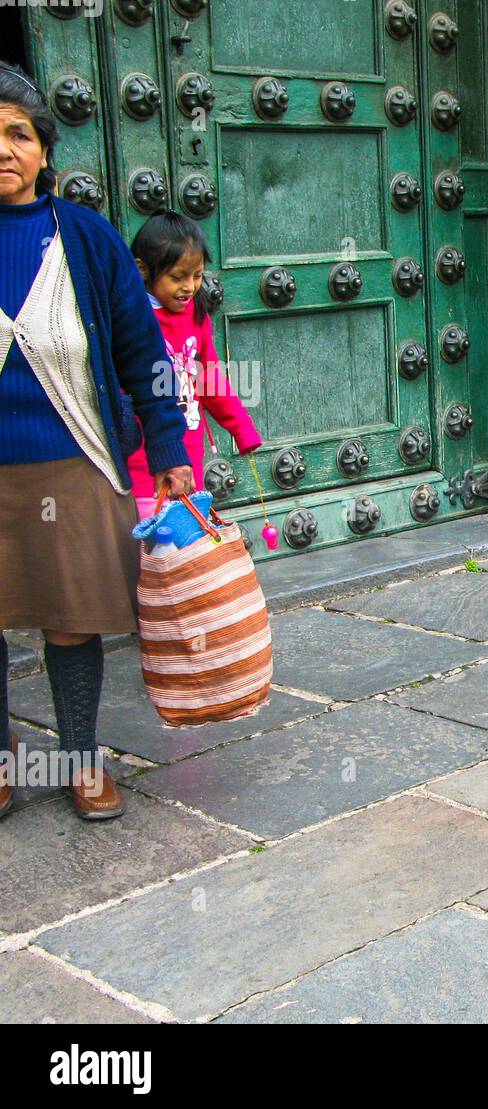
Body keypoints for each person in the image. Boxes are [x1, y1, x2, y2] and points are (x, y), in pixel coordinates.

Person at [0, 63, 193, 822]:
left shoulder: (84, 239)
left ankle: (80, 759)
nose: (4, 149)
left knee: (69, 619)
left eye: (18, 133)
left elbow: (143, 353)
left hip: (70, 467)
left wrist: (171, 449)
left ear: (45, 150)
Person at [127, 210, 261, 520]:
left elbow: (210, 377)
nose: (189, 286)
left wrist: (241, 427)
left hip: (188, 454)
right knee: (153, 540)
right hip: (142, 460)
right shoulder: (131, 320)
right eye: (177, 277)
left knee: (185, 537)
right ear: (143, 270)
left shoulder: (195, 316)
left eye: (197, 276)